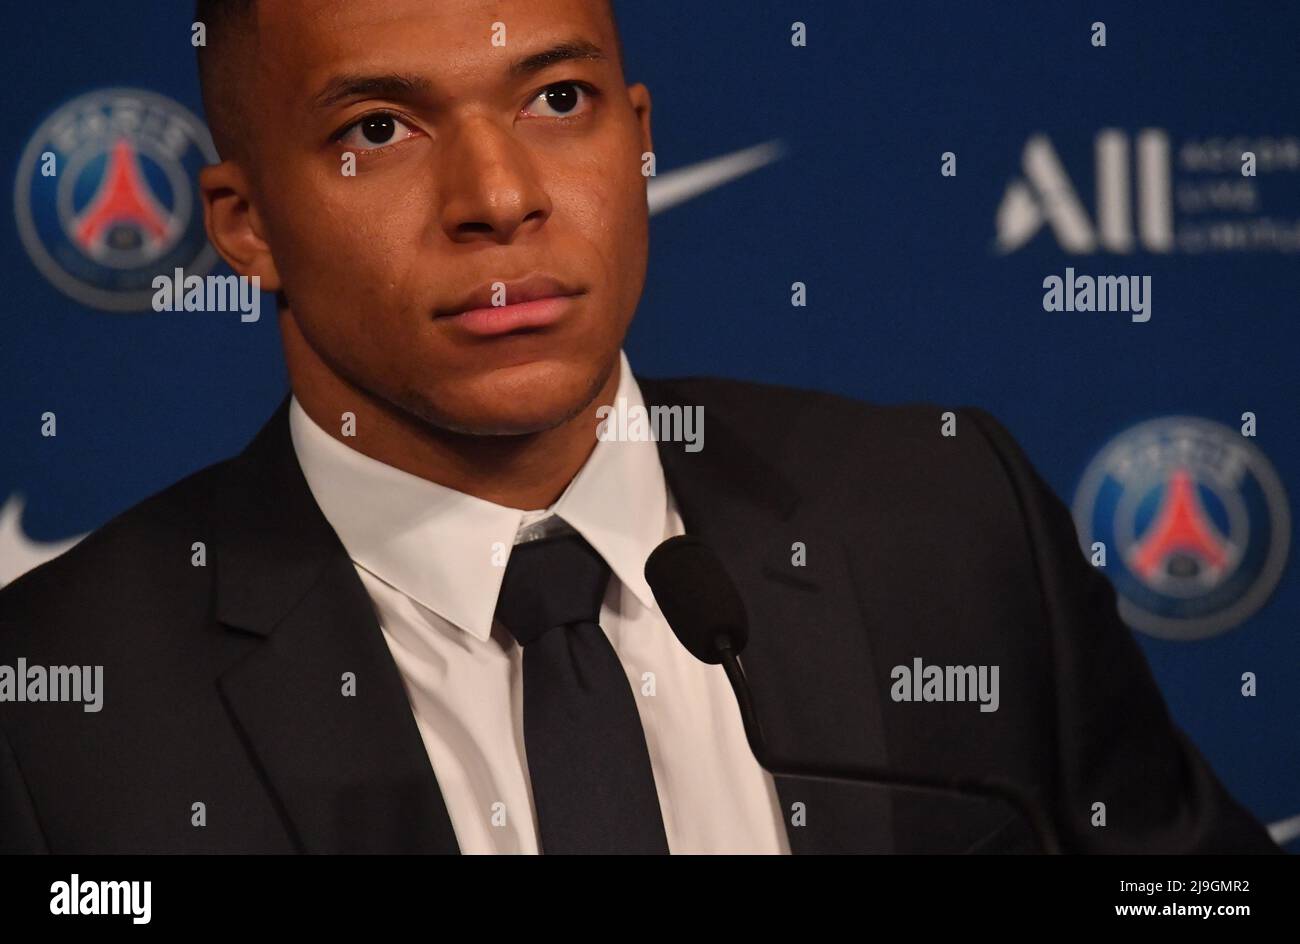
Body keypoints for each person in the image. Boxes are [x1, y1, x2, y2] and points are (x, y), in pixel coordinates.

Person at [0, 0, 1280, 854]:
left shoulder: (948, 523)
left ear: (642, 138)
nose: (500, 198)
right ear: (244, 225)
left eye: (557, 101)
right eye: (377, 131)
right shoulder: (58, 715)